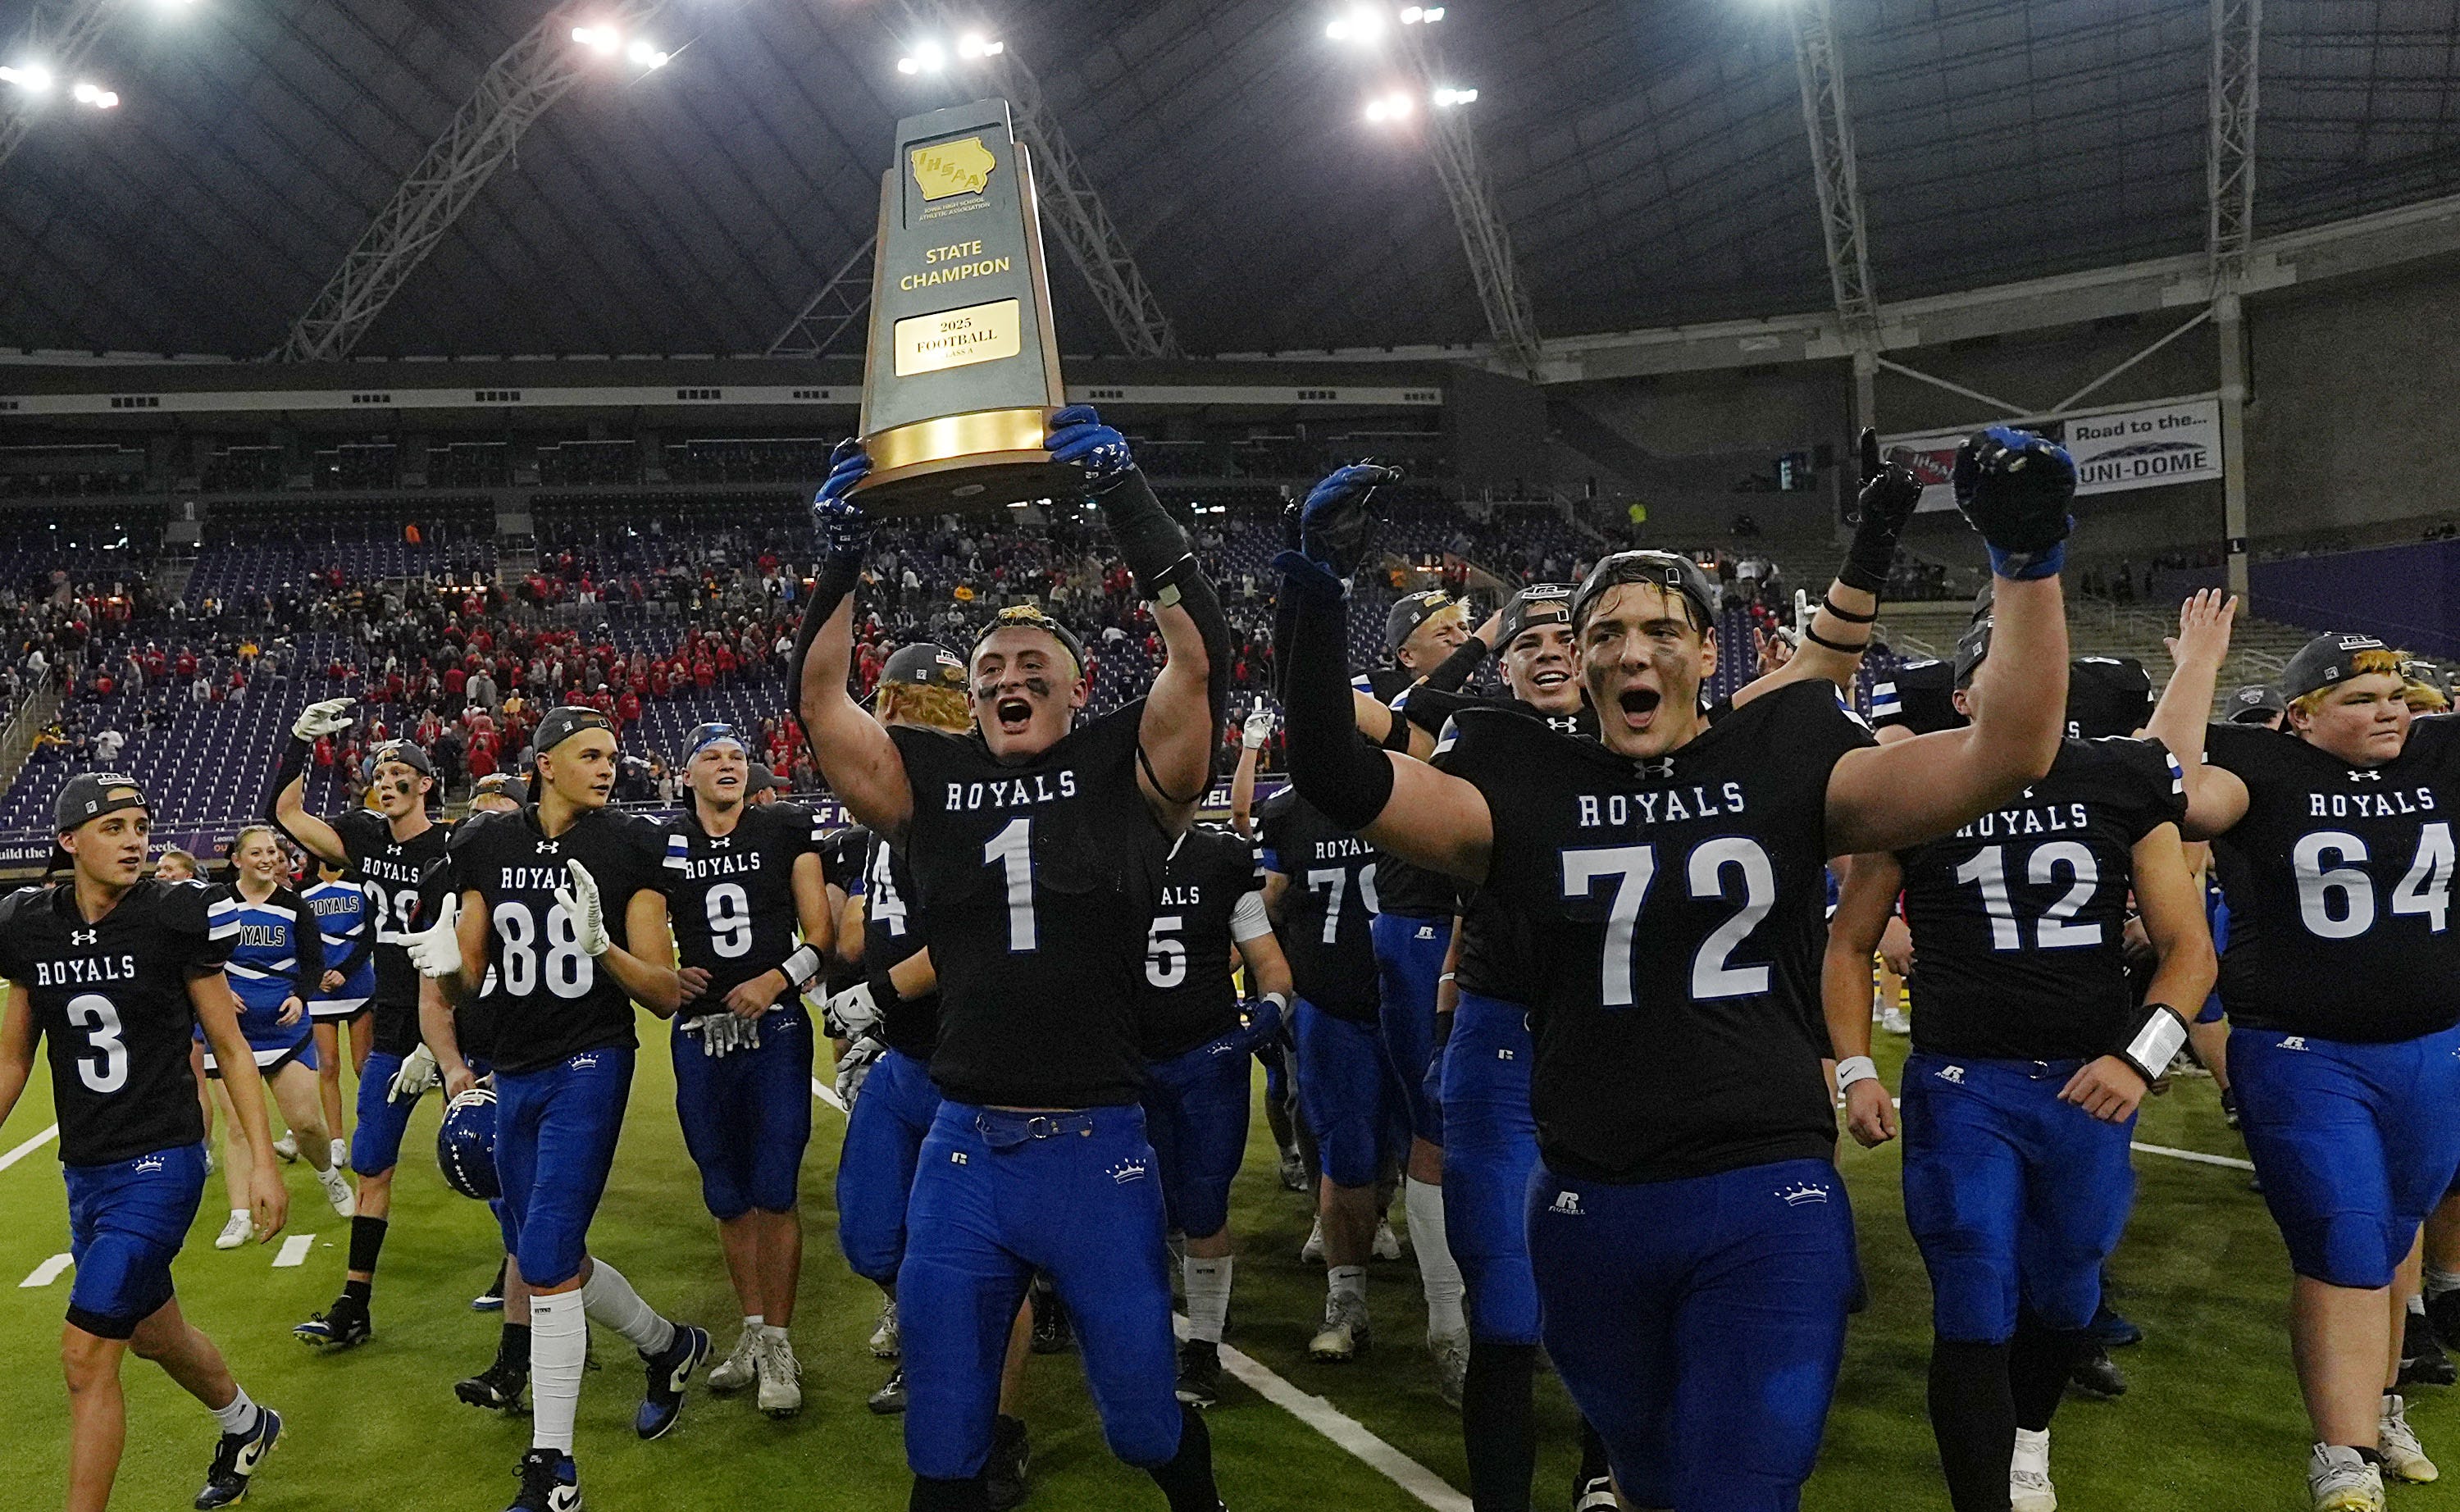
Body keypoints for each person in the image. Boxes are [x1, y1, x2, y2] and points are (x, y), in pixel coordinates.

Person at [1273, 426, 2073, 1510]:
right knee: (1649, 1481)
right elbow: (1333, 766)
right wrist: (1314, 589)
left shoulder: (1783, 753)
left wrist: (2027, 568)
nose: (1631, 651)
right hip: (1590, 1208)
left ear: (1708, 650)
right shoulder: (1517, 776)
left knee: (1740, 1487)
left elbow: (2007, 752)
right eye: (1607, 631)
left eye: (1661, 629)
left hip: (1764, 1196)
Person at [795, 407, 1230, 1512]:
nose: (1006, 676)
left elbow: (1199, 659)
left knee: (1139, 1417)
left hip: (1097, 1143)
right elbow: (820, 701)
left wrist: (1127, 497)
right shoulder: (927, 782)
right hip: (967, 1143)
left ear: (1078, 688)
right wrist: (841, 555)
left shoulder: (1123, 769)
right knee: (943, 1435)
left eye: (1033, 662)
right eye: (991, 666)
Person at [1826, 622, 2214, 1512]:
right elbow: (1848, 942)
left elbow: (2188, 945)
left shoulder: (2122, 777)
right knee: (1971, 1282)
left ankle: (2029, 1431)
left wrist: (2141, 1056)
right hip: (1965, 1081)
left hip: (2089, 1079)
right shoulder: (1920, 786)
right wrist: (1855, 1066)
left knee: (2068, 1284)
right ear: (1962, 698)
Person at [2148, 594, 2460, 1512]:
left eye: (2397, 691)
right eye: (2361, 697)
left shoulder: (2442, 754)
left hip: (2433, 1049)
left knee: (2392, 1235)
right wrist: (2198, 659)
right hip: (2306, 1051)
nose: (2390, 709)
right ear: (2301, 713)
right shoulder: (2262, 766)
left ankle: (2379, 1399)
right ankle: (2343, 1451)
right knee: (2346, 1238)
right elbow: (2165, 780)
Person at [407, 704, 707, 1512]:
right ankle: (668, 1343)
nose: (609, 767)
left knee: (542, 1256)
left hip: (591, 1059)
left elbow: (661, 992)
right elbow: (468, 971)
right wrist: (437, 979)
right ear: (544, 762)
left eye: (612, 754)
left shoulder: (626, 845)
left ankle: (555, 1469)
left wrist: (601, 942)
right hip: (516, 1065)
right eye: (590, 754)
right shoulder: (485, 842)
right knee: (549, 1253)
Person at [0, 772, 288, 1512]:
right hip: (86, 1169)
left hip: (161, 1161)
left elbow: (229, 1043)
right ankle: (247, 1423)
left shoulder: (173, 914)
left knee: (85, 1353)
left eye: (141, 825)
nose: (134, 841)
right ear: (68, 841)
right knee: (155, 1335)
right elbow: (13, 1057)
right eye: (114, 827)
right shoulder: (31, 925)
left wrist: (260, 1162)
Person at [662, 722, 835, 1419]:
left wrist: (774, 981)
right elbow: (638, 920)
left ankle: (781, 1341)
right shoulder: (663, 844)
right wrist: (661, 974)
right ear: (686, 775)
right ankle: (756, 1330)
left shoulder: (784, 828)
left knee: (775, 1187)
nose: (728, 765)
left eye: (738, 756)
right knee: (726, 1192)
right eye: (711, 756)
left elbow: (819, 935)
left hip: (775, 1026)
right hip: (700, 1030)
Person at [271, 711, 453, 1349]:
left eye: (402, 771)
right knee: (373, 1166)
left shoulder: (454, 849)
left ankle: (531, 1288)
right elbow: (287, 814)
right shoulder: (363, 837)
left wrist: (447, 1048)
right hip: (394, 1024)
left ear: (428, 784)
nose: (388, 779)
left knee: (499, 1160)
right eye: (380, 772)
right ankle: (355, 1302)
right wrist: (299, 742)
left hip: (458, 1028)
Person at [1139, 817, 1292, 1407]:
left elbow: (1268, 960)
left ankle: (1202, 1344)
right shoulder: (1108, 849)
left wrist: (1273, 1004)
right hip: (1128, 1062)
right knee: (1136, 1206)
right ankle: (1139, 1331)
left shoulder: (1221, 858)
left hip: (1206, 1053)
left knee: (1204, 1203)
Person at [1258, 786, 1388, 1362]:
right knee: (1344, 1154)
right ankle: (1346, 1302)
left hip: (1412, 996)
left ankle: (1456, 1309)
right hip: (1332, 1002)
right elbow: (1269, 904)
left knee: (1442, 1157)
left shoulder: (1406, 781)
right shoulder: (1288, 810)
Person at [203, 825, 353, 1250]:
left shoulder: (294, 905)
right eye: (256, 852)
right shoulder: (215, 904)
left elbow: (312, 960)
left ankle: (328, 1174)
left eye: (272, 851)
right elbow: (200, 961)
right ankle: (238, 1214)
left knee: (305, 1122)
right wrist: (220, 992)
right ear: (236, 860)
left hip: (285, 1029)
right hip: (230, 1032)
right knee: (238, 1127)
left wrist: (302, 998)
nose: (268, 858)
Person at [302, 858, 375, 1173]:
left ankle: (370, 1132)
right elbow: (301, 939)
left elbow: (371, 933)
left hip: (357, 981)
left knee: (363, 1065)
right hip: (320, 989)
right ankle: (336, 1140)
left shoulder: (361, 882)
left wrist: (346, 970)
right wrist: (315, 974)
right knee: (328, 1064)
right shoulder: (303, 889)